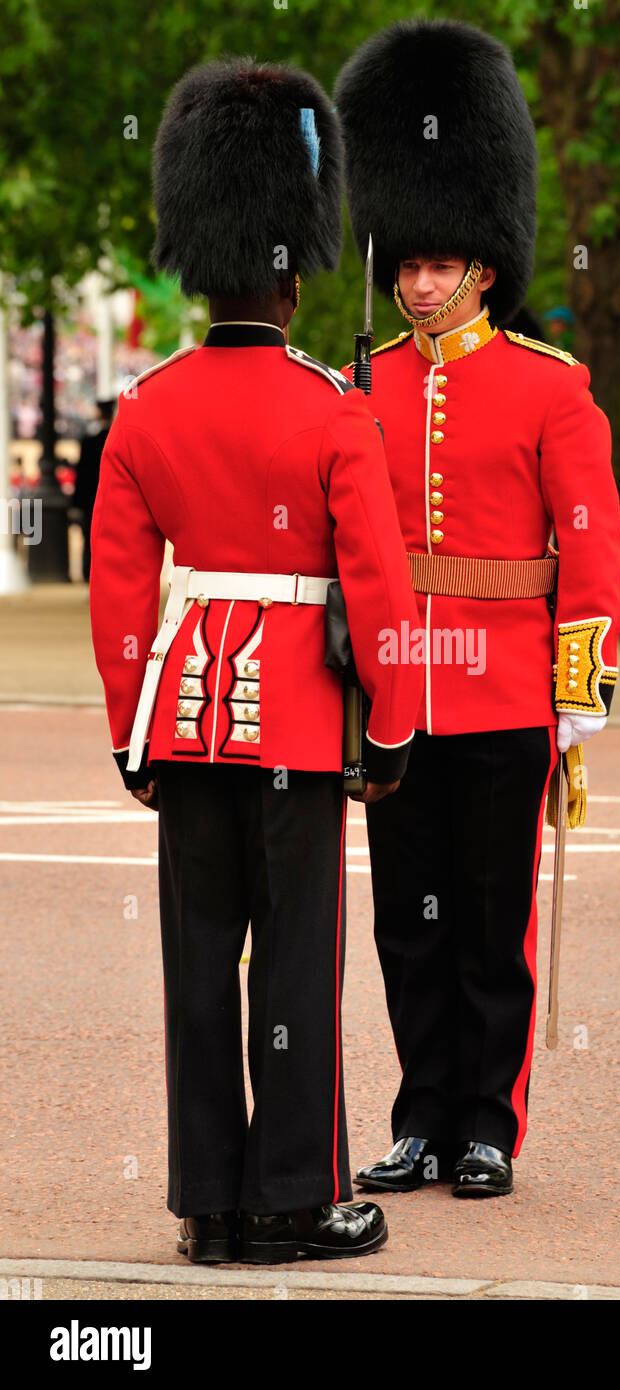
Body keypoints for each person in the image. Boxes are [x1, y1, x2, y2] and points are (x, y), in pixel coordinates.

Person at [89, 58, 423, 1263]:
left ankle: (209, 1206)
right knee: (294, 964)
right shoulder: (334, 407)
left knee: (195, 968)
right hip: (293, 724)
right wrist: (389, 724)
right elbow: (377, 586)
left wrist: (132, 726)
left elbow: (121, 589)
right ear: (293, 271)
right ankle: (297, 1195)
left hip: (181, 719)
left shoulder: (146, 404)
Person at [334, 19, 620, 1199]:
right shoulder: (359, 385)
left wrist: (578, 694)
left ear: (484, 267)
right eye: (404, 261)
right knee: (408, 919)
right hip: (400, 689)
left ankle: (487, 1125)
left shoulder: (554, 392)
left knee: (491, 927)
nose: (416, 280)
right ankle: (418, 1115)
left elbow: (590, 546)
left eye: (438, 263)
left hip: (505, 690)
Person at [72, 398, 115, 581]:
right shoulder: (115, 439)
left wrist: (77, 501)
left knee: (90, 539)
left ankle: (90, 577)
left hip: (91, 499)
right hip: (113, 499)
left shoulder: (89, 442)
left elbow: (82, 474)